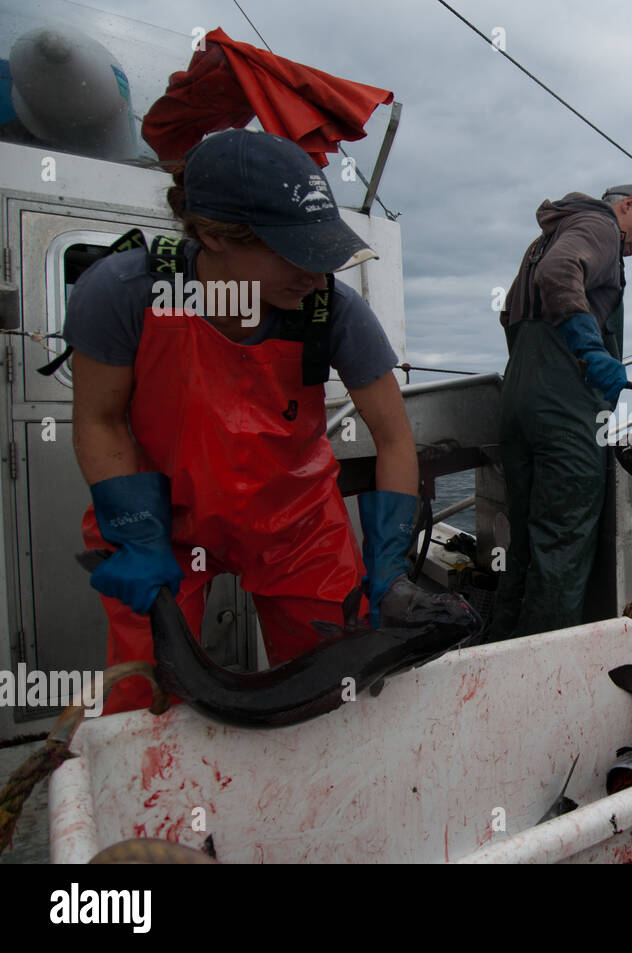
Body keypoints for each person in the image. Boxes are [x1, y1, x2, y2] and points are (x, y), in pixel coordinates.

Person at [67, 128, 430, 715]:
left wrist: (388, 566)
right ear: (212, 235)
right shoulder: (122, 292)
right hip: (162, 519)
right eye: (297, 256)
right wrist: (134, 533)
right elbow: (100, 420)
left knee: (335, 692)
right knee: (143, 701)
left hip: (295, 527)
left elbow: (393, 439)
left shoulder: (334, 311)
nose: (317, 277)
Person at [490, 184, 632, 640]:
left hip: (517, 402)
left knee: (526, 544)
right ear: (628, 206)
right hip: (564, 413)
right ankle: (543, 679)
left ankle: (499, 652)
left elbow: (510, 314)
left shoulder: (545, 238)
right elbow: (559, 272)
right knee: (561, 547)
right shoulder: (599, 224)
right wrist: (588, 348)